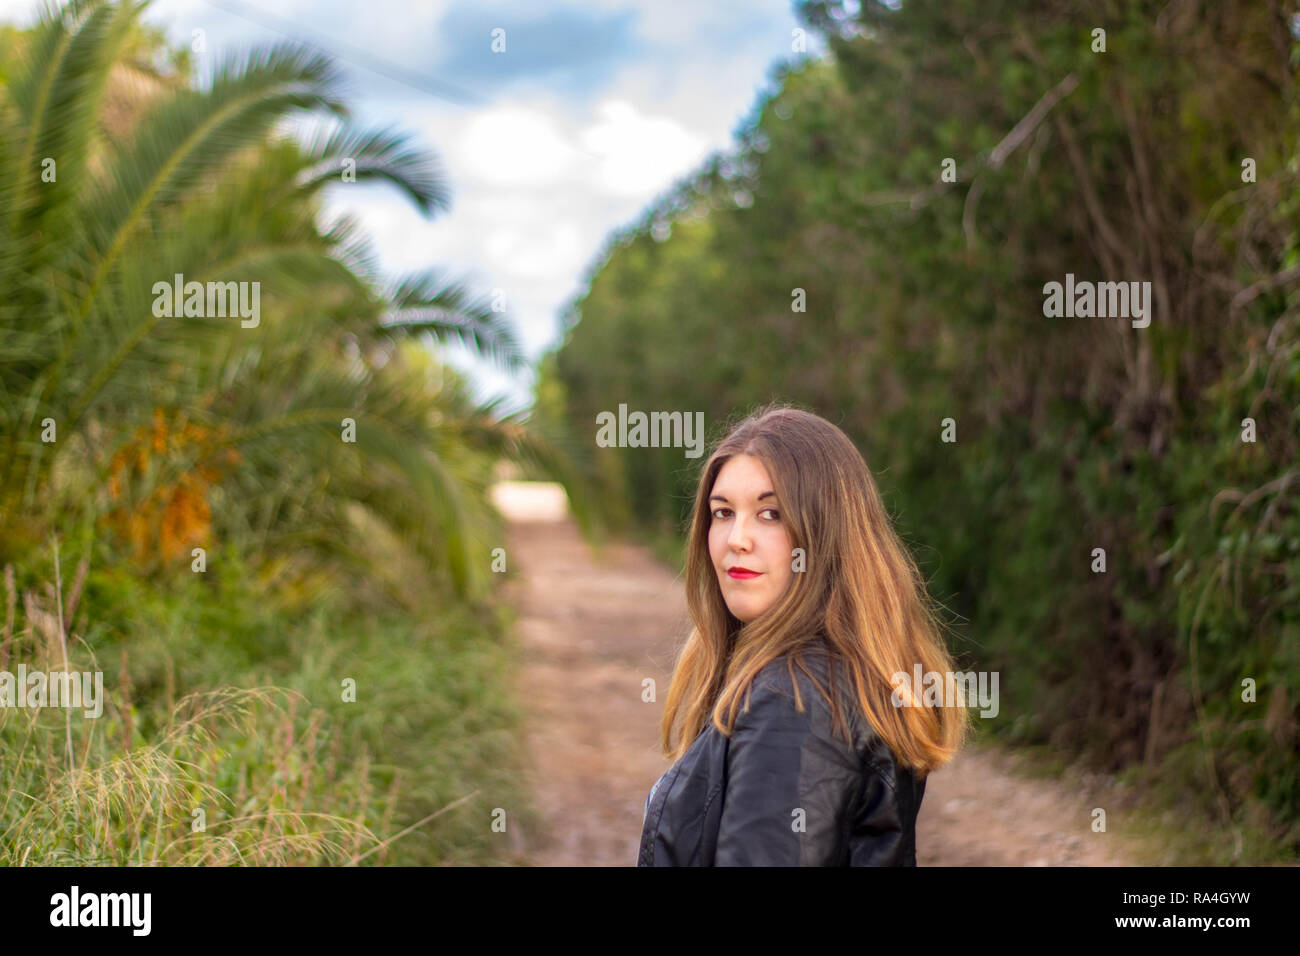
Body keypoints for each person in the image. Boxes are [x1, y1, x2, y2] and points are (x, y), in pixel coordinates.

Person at [637, 403, 972, 866]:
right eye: (722, 512)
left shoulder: (794, 696)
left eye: (770, 513)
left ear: (826, 530)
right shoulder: (827, 677)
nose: (738, 537)